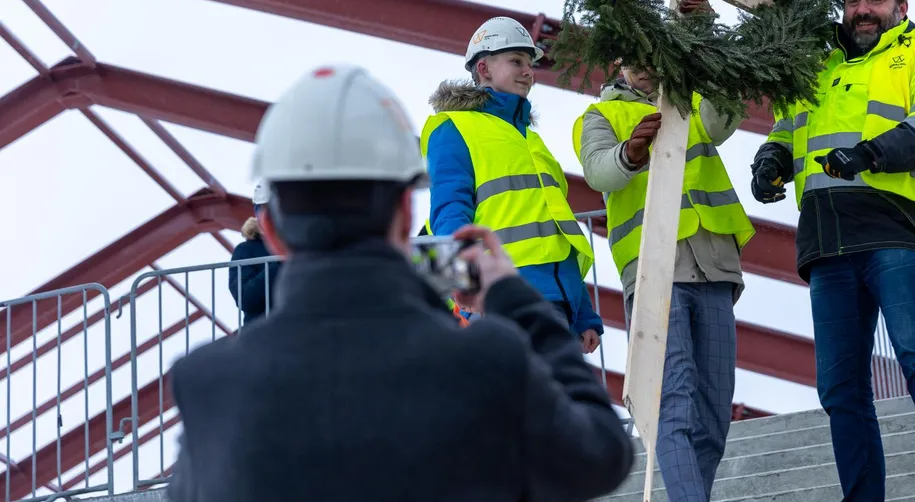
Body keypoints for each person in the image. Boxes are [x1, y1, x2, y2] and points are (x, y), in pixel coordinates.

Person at [166, 64, 634, 502]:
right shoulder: (486, 358)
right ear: (406, 212)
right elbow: (602, 454)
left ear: (271, 232)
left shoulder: (209, 386)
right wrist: (516, 299)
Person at [750, 0, 915, 501]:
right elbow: (789, 127)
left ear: (901, 3)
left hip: (896, 230)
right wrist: (771, 158)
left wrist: (871, 154)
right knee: (839, 387)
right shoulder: (819, 63)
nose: (862, 9)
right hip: (827, 241)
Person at [571, 0, 755, 502]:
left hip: (713, 266)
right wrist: (631, 152)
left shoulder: (690, 99)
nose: (648, 65)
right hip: (654, 270)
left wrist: (706, 43)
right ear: (618, 63)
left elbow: (724, 120)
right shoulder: (599, 116)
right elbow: (598, 170)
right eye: (637, 55)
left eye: (656, 51)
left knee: (714, 415)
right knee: (673, 405)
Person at [420, 16, 603, 352]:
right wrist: (467, 283)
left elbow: (558, 235)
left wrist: (584, 314)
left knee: (545, 401)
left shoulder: (532, 142)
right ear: (484, 68)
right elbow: (449, 212)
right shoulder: (454, 127)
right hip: (499, 296)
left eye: (530, 64)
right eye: (516, 61)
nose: (528, 72)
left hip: (555, 303)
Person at [227, 179, 280, 325]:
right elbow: (246, 300)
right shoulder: (245, 251)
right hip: (263, 335)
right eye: (265, 210)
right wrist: (280, 262)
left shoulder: (303, 247)